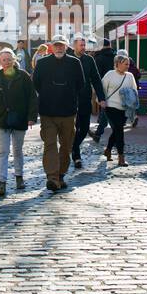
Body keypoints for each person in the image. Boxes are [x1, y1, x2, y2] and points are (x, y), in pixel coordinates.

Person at [0, 47, 37, 196]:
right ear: (0, 62)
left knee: (18, 150)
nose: (6, 62)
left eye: (9, 60)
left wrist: (31, 117)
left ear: (14, 61)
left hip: (20, 119)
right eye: (3, 60)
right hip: (2, 119)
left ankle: (19, 178)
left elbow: (32, 97)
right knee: (3, 151)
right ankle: (2, 182)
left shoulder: (23, 76)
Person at [32, 34, 84, 192]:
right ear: (51, 47)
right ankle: (52, 177)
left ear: (67, 46)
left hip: (68, 112)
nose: (59, 48)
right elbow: (36, 84)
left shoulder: (75, 63)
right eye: (56, 45)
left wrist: (68, 95)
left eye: (62, 45)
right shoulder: (42, 64)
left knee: (66, 145)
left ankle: (61, 174)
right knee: (50, 144)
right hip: (48, 112)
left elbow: (80, 84)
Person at [71, 32, 106, 168]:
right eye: (81, 45)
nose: (83, 47)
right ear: (74, 46)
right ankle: (76, 155)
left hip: (85, 99)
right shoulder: (67, 59)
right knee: (73, 128)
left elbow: (96, 80)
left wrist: (101, 98)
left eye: (84, 45)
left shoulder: (89, 60)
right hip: (70, 100)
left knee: (84, 128)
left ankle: (74, 147)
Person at [100, 52, 138, 166]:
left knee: (117, 130)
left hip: (124, 108)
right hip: (110, 107)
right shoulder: (110, 74)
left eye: (128, 64)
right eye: (125, 64)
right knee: (119, 131)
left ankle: (108, 150)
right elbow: (101, 88)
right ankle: (121, 158)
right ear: (117, 64)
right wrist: (101, 100)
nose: (127, 66)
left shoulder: (130, 76)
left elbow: (134, 91)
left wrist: (134, 107)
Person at [91, 39, 117, 140]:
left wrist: (95, 88)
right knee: (108, 109)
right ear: (110, 45)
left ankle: (99, 133)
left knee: (106, 108)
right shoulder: (116, 56)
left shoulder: (99, 58)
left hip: (104, 87)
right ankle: (99, 132)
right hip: (116, 85)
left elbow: (96, 75)